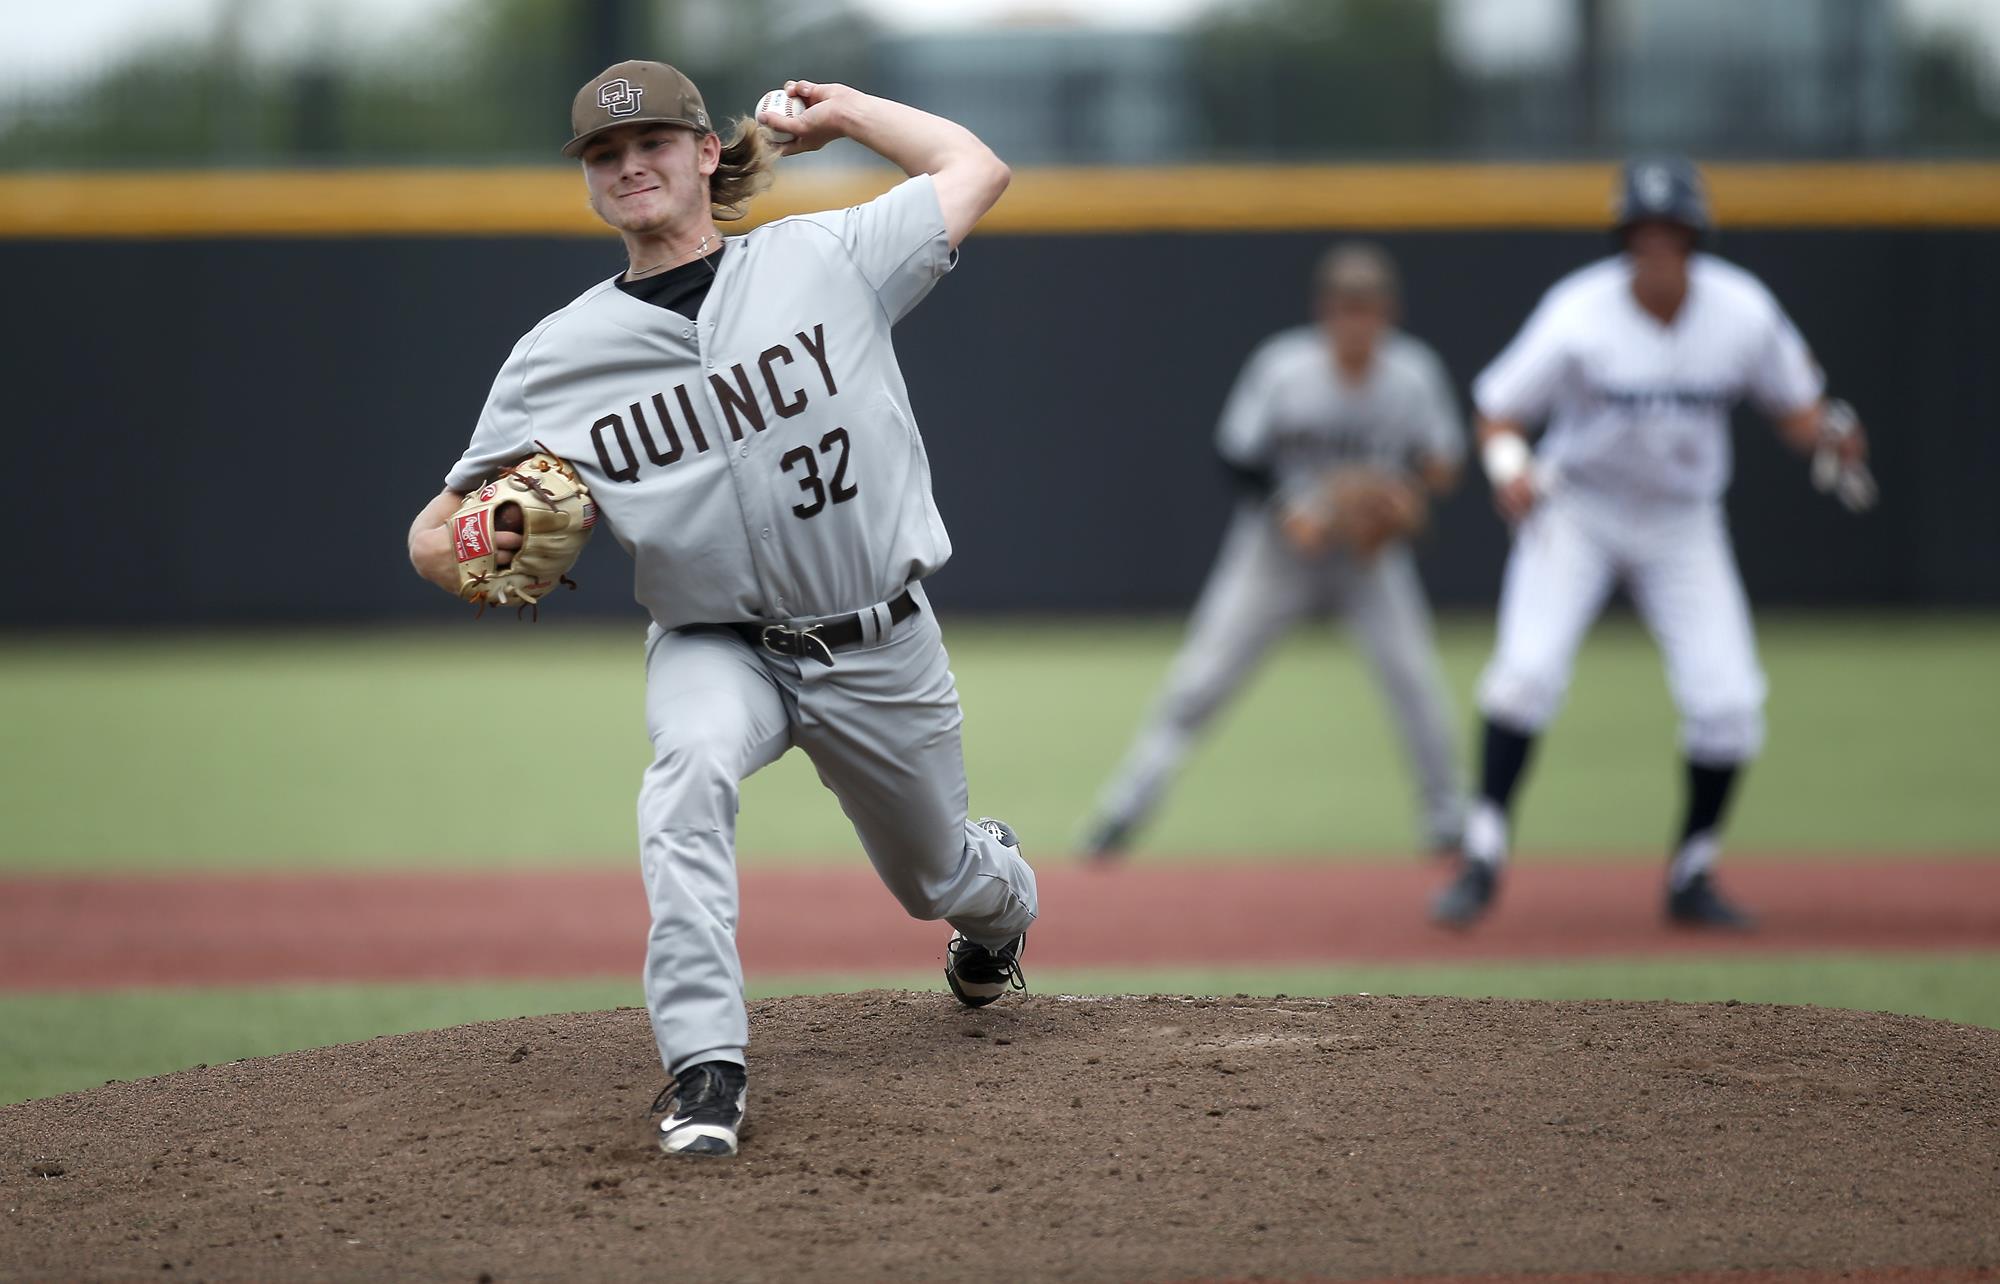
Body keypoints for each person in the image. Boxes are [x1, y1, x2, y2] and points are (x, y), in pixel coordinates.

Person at [405, 62, 1039, 1158]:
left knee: (938, 878)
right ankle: (705, 1068)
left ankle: (1001, 900)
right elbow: (432, 531)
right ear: (591, 183)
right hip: (713, 644)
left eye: (650, 142)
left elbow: (972, 167)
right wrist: (476, 546)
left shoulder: (826, 255)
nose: (627, 165)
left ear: (706, 153)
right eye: (603, 154)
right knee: (684, 778)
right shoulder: (556, 356)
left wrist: (845, 115)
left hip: (874, 637)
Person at [1431, 156, 1870, 930]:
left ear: (1697, 236)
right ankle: (1483, 854)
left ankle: (1692, 871)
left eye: (1673, 230)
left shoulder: (1742, 310)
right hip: (1578, 511)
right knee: (1524, 676)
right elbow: (1496, 410)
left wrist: (1831, 435)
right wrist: (1509, 466)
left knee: (1728, 703)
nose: (1658, 245)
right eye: (1644, 230)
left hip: (1682, 520)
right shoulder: (1578, 311)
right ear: (1624, 237)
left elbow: (1796, 410)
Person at [1081, 243, 1470, 862]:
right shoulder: (1286, 367)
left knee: (1415, 681)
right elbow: (1236, 456)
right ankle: (1123, 811)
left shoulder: (1412, 375)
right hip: (1276, 553)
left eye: (1367, 309)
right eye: (1345, 309)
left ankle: (1449, 821)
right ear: (1324, 311)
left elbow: (1442, 462)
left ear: (1388, 313)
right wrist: (1292, 508)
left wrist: (1407, 498)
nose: (1356, 322)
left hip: (1367, 563)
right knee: (1199, 682)